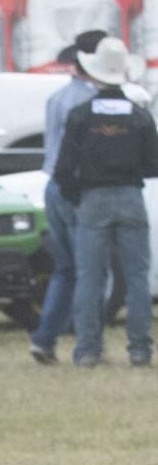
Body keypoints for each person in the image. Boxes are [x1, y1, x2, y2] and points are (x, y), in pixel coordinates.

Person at [54, 35, 158, 367]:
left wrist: (74, 198)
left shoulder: (81, 115)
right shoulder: (140, 116)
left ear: (95, 72)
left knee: (90, 275)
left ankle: (88, 350)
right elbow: (153, 164)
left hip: (92, 199)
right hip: (130, 196)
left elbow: (63, 168)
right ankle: (140, 350)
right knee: (138, 276)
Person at [28, 29, 106, 365]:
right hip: (76, 188)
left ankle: (45, 338)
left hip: (52, 187)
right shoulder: (89, 101)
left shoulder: (58, 96)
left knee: (65, 269)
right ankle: (87, 345)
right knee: (90, 269)